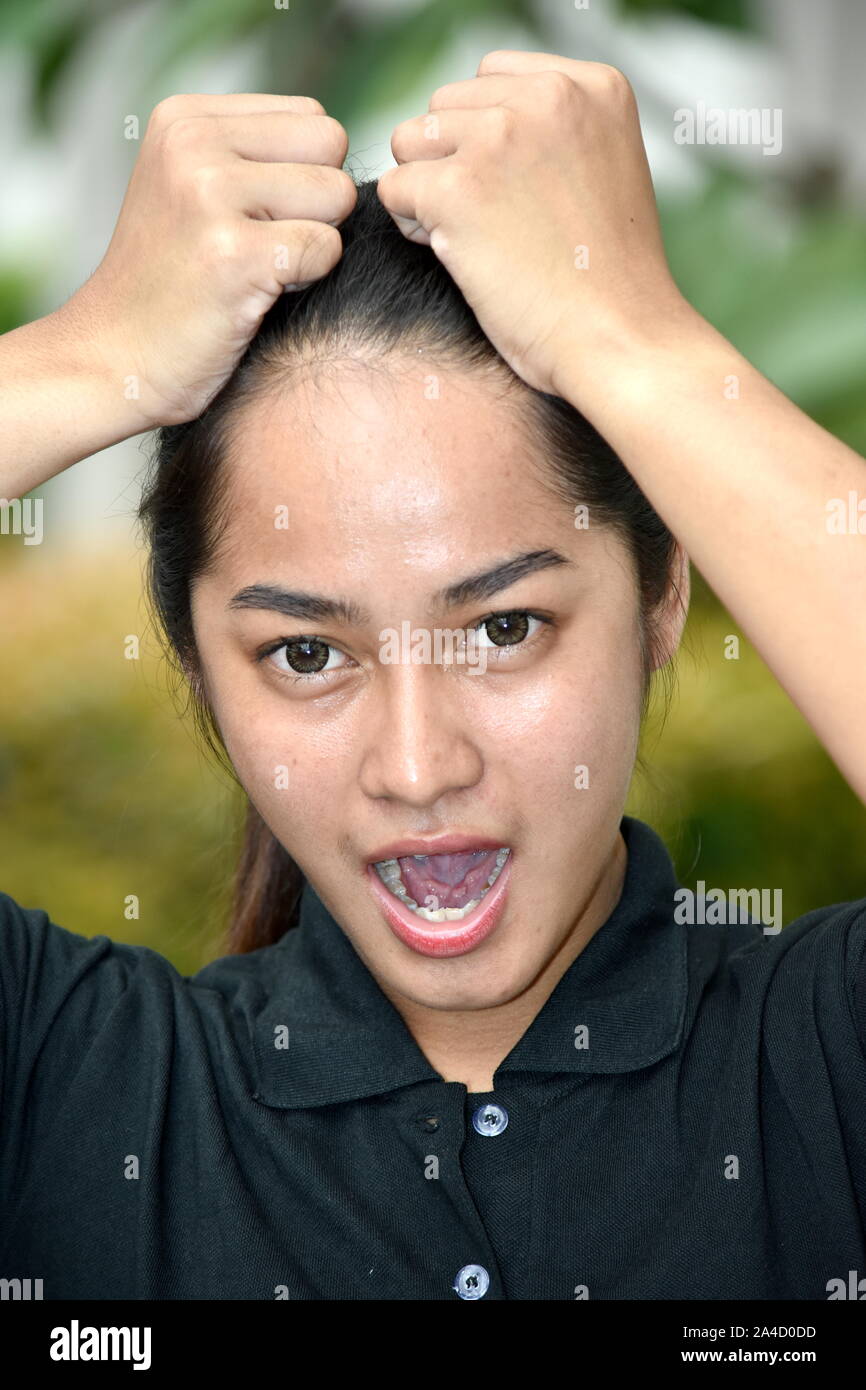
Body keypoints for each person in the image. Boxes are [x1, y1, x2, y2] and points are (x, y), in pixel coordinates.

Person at [1, 50, 865, 1302]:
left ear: (660, 590)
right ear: (193, 661)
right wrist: (83, 360)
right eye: (306, 655)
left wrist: (633, 342)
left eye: (503, 628)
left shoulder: (820, 1069)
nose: (417, 766)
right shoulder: (77, 1093)